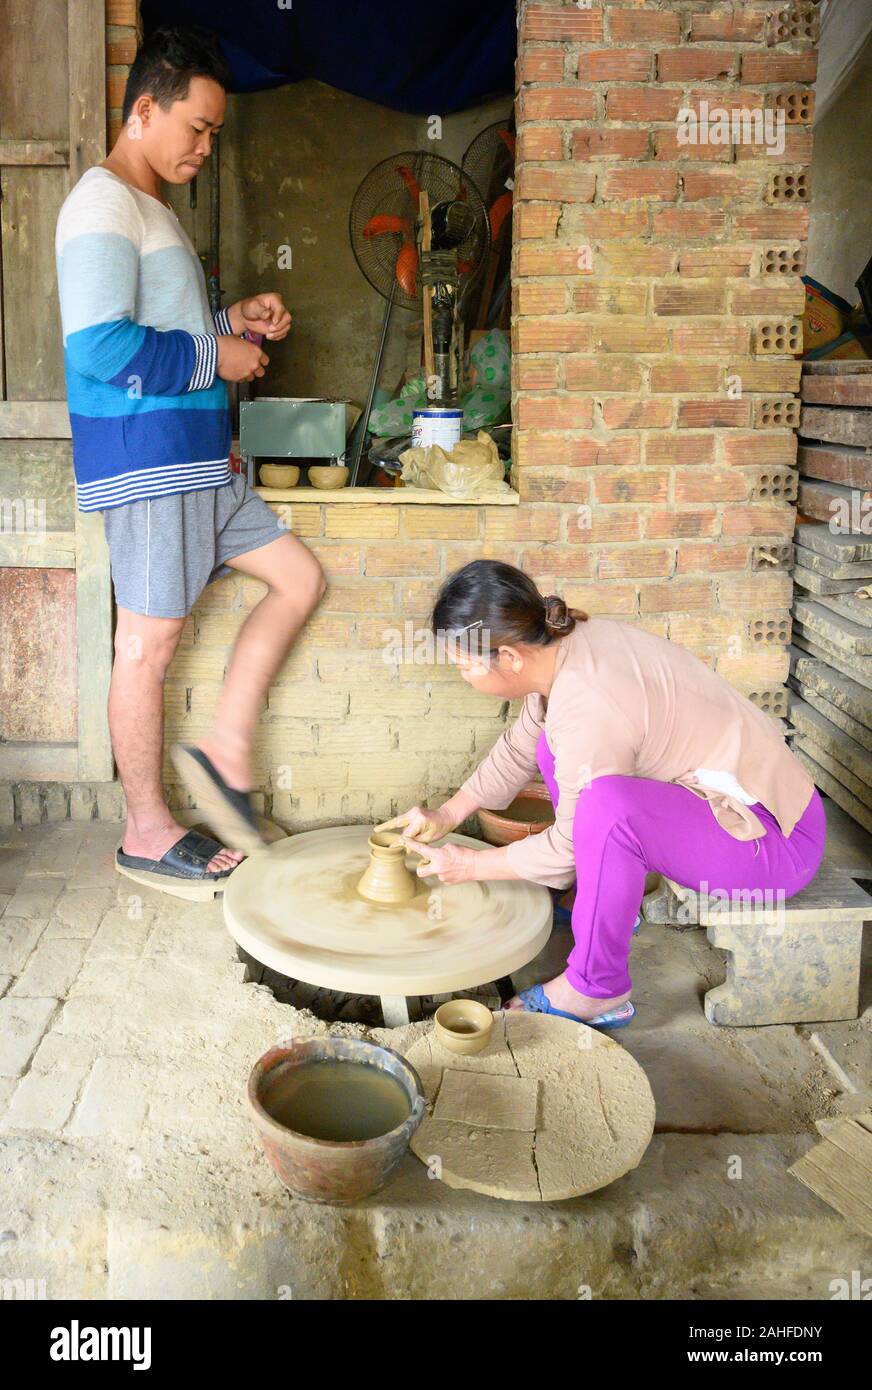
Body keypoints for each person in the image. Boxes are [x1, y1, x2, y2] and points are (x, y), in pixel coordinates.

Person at [55, 26, 325, 898]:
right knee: (148, 643)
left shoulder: (150, 209)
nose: (207, 148)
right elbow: (101, 348)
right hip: (150, 467)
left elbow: (165, 338)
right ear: (143, 109)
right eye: (198, 129)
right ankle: (146, 831)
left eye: (215, 135)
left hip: (201, 465)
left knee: (299, 579)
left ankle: (223, 753)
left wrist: (235, 320)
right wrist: (220, 356)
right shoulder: (102, 204)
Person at [386, 560, 826, 1029]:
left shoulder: (589, 703)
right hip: (738, 805)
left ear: (510, 657)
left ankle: (597, 989)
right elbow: (523, 744)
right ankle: (598, 896)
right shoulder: (562, 643)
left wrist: (471, 866)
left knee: (608, 810)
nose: (463, 677)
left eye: (464, 665)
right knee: (554, 753)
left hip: (774, 842)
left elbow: (574, 839)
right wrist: (449, 814)